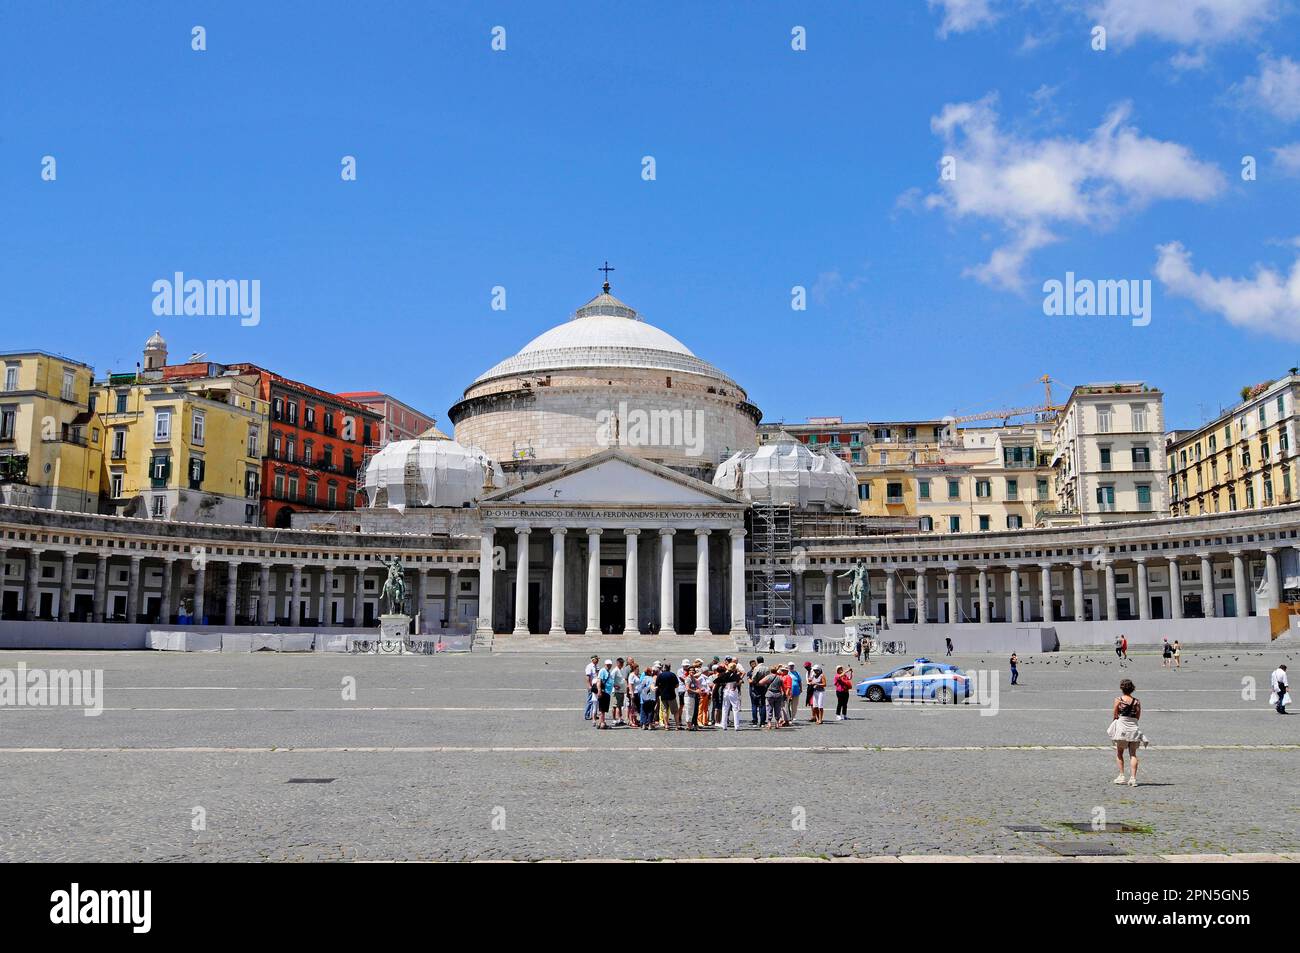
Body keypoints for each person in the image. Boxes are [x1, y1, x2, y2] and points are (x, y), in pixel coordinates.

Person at [1106, 678, 1148, 787]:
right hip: (1133, 728)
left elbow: (1115, 714)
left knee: (1120, 753)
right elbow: (1138, 716)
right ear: (1132, 688)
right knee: (1133, 754)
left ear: (1122, 688)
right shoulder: (1136, 701)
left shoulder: (1118, 699)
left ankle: (1121, 776)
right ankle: (1133, 778)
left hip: (1122, 728)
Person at [719, 661, 743, 730]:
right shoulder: (736, 675)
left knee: (725, 708)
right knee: (735, 708)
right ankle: (737, 726)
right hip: (733, 691)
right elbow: (740, 681)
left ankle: (724, 725)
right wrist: (736, 684)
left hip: (726, 691)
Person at [656, 663, 681, 729]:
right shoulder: (672, 675)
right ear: (669, 668)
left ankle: (666, 725)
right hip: (671, 695)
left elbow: (657, 685)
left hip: (663, 696)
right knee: (675, 711)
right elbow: (677, 685)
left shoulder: (660, 675)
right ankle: (677, 725)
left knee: (665, 711)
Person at [762, 665, 786, 730]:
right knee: (777, 709)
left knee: (769, 708)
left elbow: (760, 682)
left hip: (770, 694)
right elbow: (783, 688)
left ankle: (769, 723)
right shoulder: (780, 677)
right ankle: (777, 723)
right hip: (778, 694)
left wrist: (767, 684)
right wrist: (785, 694)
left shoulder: (768, 676)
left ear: (770, 671)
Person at [750, 657, 768, 727]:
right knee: (763, 704)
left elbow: (753, 678)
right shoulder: (767, 668)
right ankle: (763, 722)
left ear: (757, 661)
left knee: (754, 704)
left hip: (756, 687)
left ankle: (755, 721)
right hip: (764, 686)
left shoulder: (756, 668)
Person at [639, 664, 659, 729]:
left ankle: (644, 725)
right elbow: (652, 686)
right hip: (650, 697)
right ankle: (650, 725)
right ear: (650, 672)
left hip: (643, 697)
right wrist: (656, 688)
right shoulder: (651, 679)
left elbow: (640, 688)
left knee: (644, 711)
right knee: (650, 710)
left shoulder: (642, 678)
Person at [612, 657, 627, 726]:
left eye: (623, 663)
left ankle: (619, 718)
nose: (622, 664)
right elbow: (610, 679)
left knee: (620, 705)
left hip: (621, 691)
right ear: (617, 663)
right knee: (616, 705)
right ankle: (616, 719)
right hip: (616, 691)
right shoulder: (615, 670)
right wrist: (615, 686)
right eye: (621, 663)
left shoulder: (622, 670)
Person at [584, 655, 599, 721]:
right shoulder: (589, 666)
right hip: (592, 685)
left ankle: (594, 714)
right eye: (596, 659)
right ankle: (587, 715)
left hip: (596, 685)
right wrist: (589, 686)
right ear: (593, 659)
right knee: (590, 700)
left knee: (595, 700)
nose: (598, 660)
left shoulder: (596, 666)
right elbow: (588, 677)